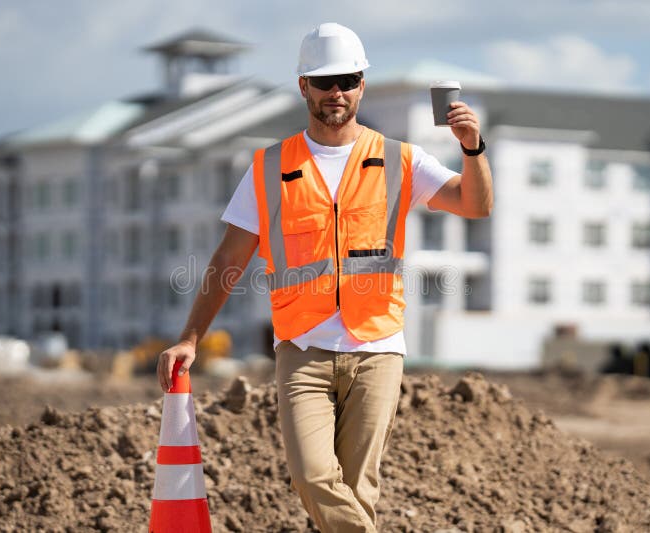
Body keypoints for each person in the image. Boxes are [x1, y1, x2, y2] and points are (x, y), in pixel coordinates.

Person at [157, 22, 493, 532]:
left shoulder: (402, 160)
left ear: (362, 85)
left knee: (357, 491)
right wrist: (190, 337)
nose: (336, 92)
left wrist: (472, 148)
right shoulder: (270, 167)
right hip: (303, 349)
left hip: (378, 345)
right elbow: (229, 260)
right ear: (303, 87)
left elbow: (476, 204)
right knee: (312, 476)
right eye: (324, 81)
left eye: (347, 80)